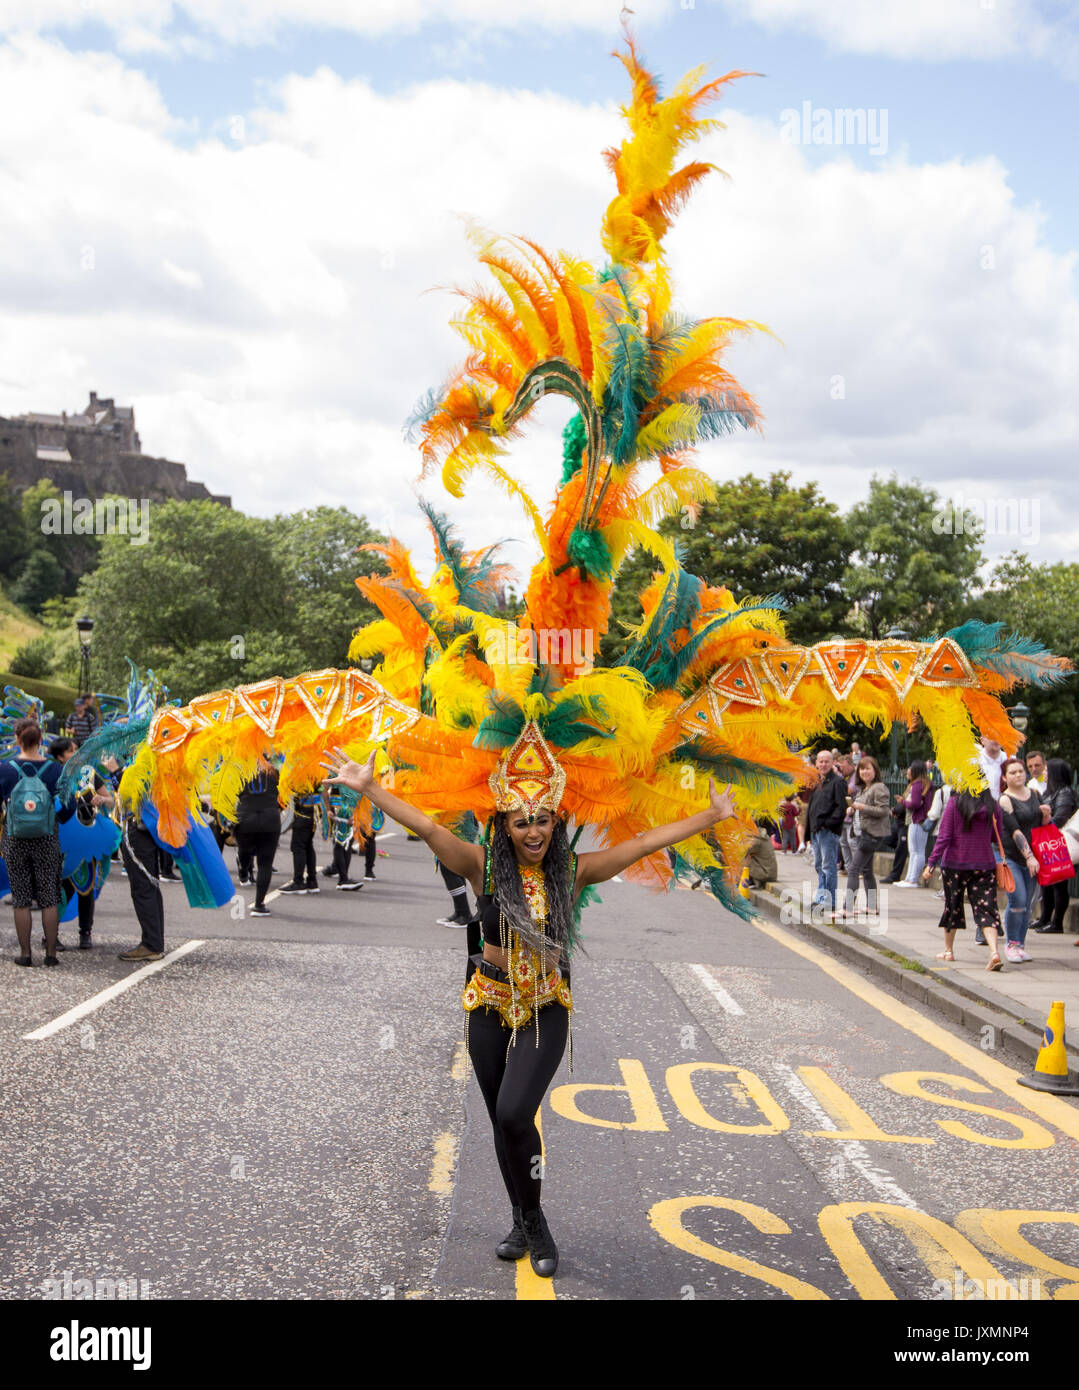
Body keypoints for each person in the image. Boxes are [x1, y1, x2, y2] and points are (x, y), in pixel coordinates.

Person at [322, 726, 737, 1279]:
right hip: (488, 1001)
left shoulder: (573, 870)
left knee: (517, 1110)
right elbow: (424, 825)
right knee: (502, 1121)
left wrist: (709, 818)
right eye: (522, 821)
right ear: (505, 825)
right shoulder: (482, 865)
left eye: (542, 819)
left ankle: (535, 1222)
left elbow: (641, 844)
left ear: (555, 821)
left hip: (545, 1005)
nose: (534, 830)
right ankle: (522, 1216)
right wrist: (370, 788)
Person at [0, 719, 73, 965]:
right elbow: (68, 808)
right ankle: (51, 955)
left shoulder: (6, 769)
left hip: (15, 839)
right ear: (41, 740)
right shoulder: (54, 770)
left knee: (20, 898)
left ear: (17, 739)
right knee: (49, 897)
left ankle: (25, 954)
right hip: (46, 839)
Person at [922, 787, 1005, 971]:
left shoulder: (954, 803)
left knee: (953, 905)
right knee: (987, 907)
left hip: (955, 864)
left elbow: (944, 836)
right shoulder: (992, 805)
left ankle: (948, 950)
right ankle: (994, 953)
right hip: (984, 864)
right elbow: (995, 835)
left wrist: (931, 862)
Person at [48, 736, 115, 950]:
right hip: (59, 839)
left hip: (87, 837)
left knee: (86, 888)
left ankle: (85, 933)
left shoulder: (88, 773)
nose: (75, 753)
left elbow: (111, 800)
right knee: (60, 888)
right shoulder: (52, 775)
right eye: (70, 751)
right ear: (59, 757)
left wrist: (102, 800)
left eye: (76, 749)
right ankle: (51, 933)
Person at [998, 756, 1048, 963]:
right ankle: (1011, 944)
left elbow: (1043, 826)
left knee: (1027, 904)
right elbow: (1014, 831)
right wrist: (1028, 856)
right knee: (1017, 900)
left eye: (1020, 771)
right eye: (1013, 772)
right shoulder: (1005, 800)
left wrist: (1046, 815)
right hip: (1013, 857)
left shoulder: (1035, 794)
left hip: (1036, 857)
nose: (1018, 775)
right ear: (1004, 777)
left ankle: (1021, 944)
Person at [840, 755, 890, 918]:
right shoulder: (864, 788)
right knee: (867, 870)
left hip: (872, 834)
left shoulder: (879, 787)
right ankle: (872, 906)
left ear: (875, 770)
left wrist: (862, 807)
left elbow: (883, 811)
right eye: (862, 768)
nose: (864, 772)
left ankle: (847, 908)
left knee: (854, 869)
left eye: (868, 768)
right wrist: (853, 809)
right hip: (863, 833)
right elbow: (862, 807)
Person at [233, 755, 282, 917]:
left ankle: (243, 870)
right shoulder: (274, 772)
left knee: (244, 849)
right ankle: (259, 904)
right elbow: (284, 796)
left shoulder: (239, 771)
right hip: (270, 818)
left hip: (246, 818)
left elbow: (229, 794)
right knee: (265, 863)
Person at [1033, 758, 1077, 935]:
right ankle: (1045, 918)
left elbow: (1060, 817)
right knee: (1049, 882)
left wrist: (1044, 822)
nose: (1043, 773)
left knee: (1058, 883)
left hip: (1060, 842)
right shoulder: (1053, 791)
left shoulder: (1064, 793)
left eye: (1046, 771)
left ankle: (1057, 922)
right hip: (1051, 841)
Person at [806, 749, 846, 914]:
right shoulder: (818, 783)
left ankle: (829, 901)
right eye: (820, 762)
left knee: (828, 867)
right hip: (816, 832)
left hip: (827, 832)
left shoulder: (837, 782)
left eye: (826, 761)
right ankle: (821, 898)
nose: (823, 764)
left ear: (832, 763)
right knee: (819, 866)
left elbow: (840, 808)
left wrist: (827, 824)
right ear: (816, 764)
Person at [896, 761, 932, 887]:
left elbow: (915, 804)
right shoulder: (925, 784)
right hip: (922, 820)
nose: (908, 770)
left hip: (917, 820)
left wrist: (903, 801)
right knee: (917, 851)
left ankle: (912, 879)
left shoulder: (917, 785)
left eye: (910, 768)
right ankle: (910, 878)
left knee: (915, 851)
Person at [280, 791, 322, 895]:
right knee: (308, 845)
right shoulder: (317, 774)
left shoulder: (301, 775)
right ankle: (312, 881)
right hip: (314, 811)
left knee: (298, 846)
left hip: (303, 812)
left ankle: (298, 882)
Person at [742, 823, 777, 888]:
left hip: (766, 873)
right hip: (770, 872)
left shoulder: (756, 840)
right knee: (749, 857)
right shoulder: (761, 835)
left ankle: (745, 882)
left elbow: (742, 853)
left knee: (744, 861)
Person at [977, 736, 1008, 800]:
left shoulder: (1010, 759)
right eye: (992, 736)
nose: (997, 739)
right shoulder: (974, 761)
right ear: (982, 740)